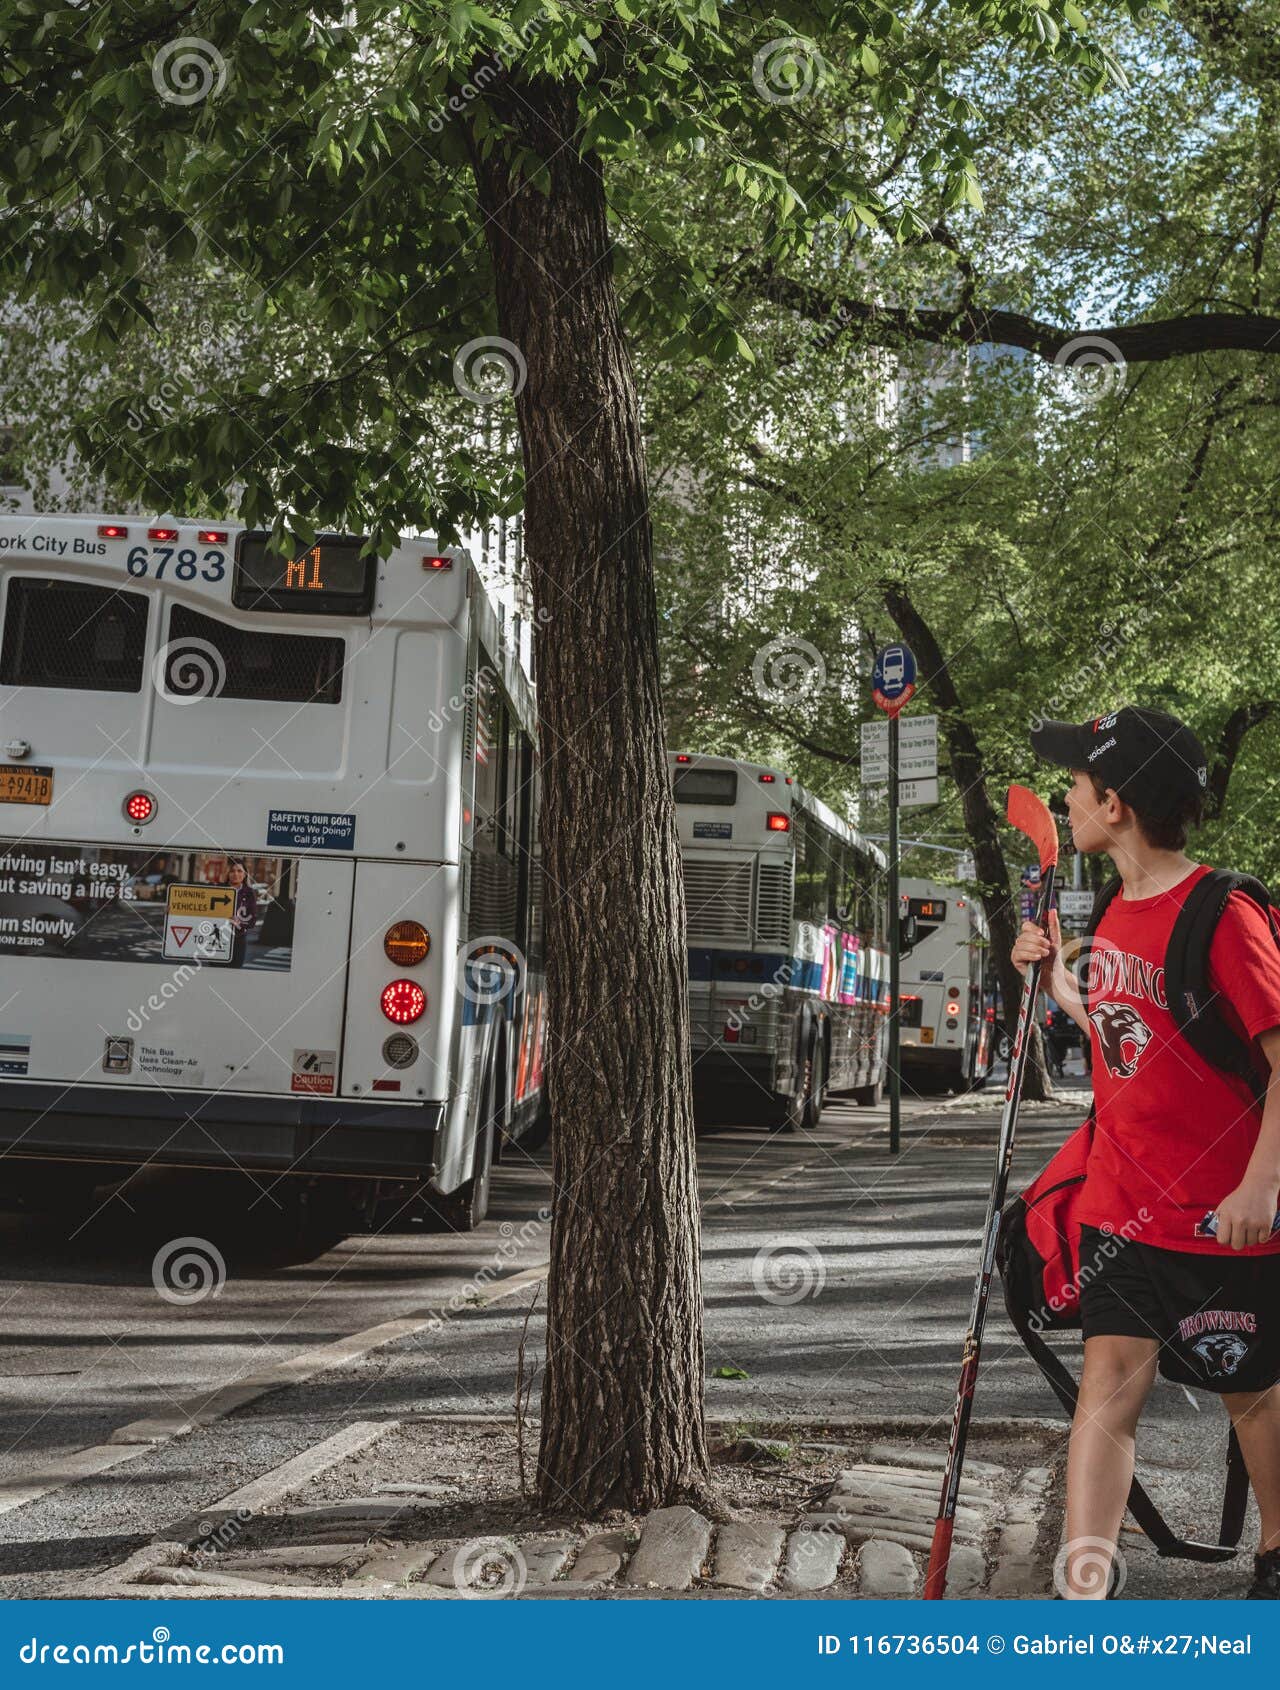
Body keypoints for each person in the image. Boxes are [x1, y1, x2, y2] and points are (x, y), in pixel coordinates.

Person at [1013, 707, 1280, 1600]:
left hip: (1222, 1219)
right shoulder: (1118, 911)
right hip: (1122, 1210)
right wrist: (1054, 985)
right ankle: (1083, 1584)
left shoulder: (1224, 914)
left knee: (1250, 1395)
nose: (1066, 797)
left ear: (1116, 803)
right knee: (1108, 1395)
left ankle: (1276, 1557)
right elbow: (1135, 1037)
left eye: (1077, 785)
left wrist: (1259, 1184)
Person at [225, 857, 258, 968]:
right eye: (232, 871)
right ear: (227, 873)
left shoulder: (249, 893)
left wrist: (239, 922)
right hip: (218, 939)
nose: (235, 874)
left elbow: (252, 920)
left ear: (245, 874)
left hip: (238, 940)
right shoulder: (218, 889)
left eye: (239, 871)